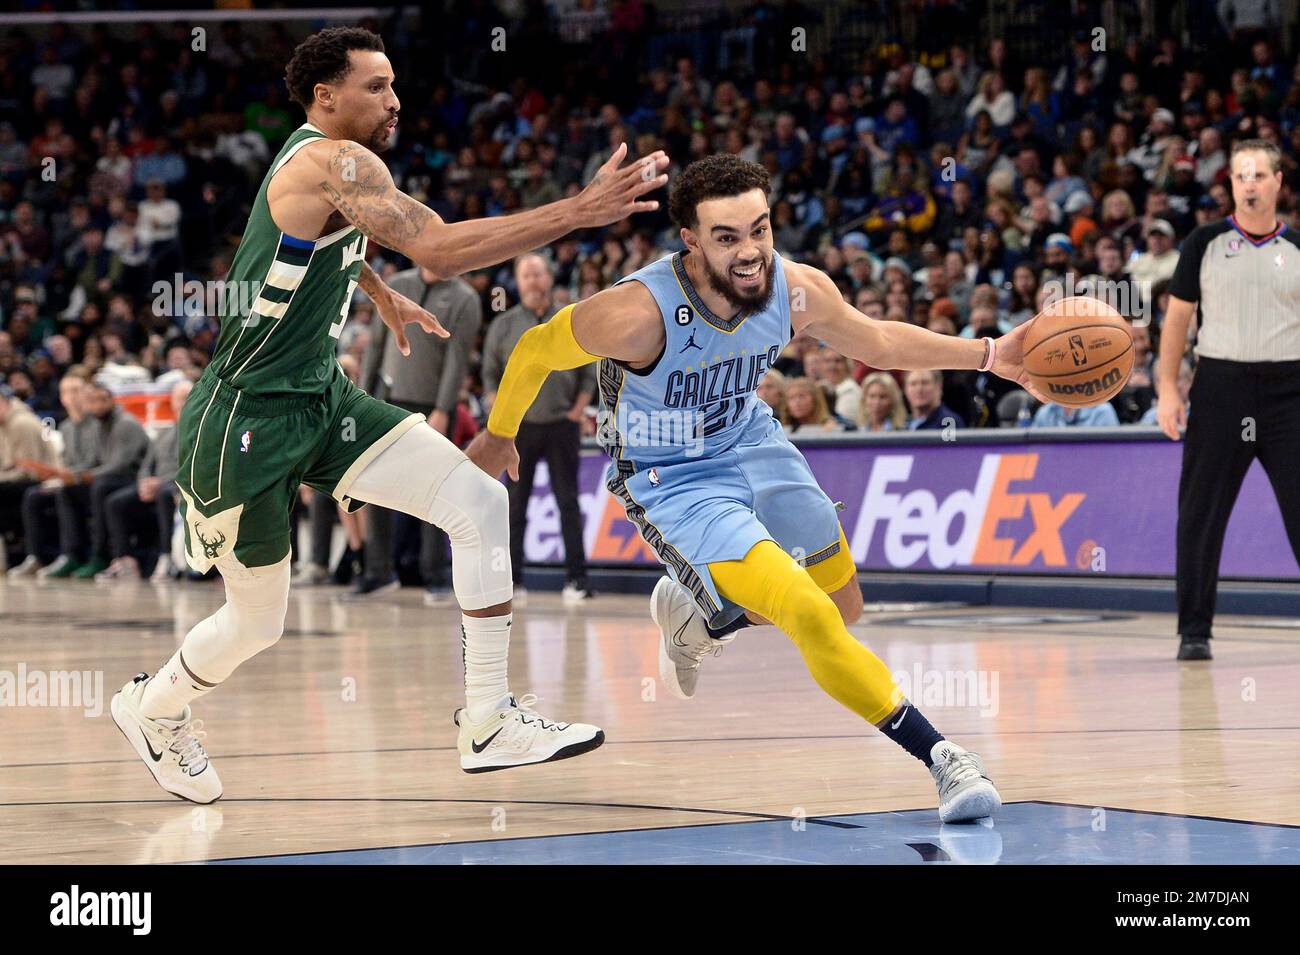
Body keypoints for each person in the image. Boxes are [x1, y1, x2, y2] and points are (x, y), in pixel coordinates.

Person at [109, 26, 668, 803]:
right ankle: (154, 707)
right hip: (244, 421)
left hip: (321, 397)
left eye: (394, 84)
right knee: (257, 624)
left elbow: (318, 238)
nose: (394, 99)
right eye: (375, 86)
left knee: (477, 499)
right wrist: (579, 210)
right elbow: (437, 250)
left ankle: (488, 719)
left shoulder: (323, 169)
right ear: (324, 97)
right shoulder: (336, 159)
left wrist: (372, 288)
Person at [467, 154, 1048, 822]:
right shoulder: (636, 313)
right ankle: (944, 756)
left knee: (844, 606)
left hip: (751, 437)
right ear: (689, 242)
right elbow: (538, 347)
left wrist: (990, 354)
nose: (750, 252)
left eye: (760, 229)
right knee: (807, 610)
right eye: (726, 237)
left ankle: (703, 616)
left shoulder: (794, 289)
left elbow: (880, 340)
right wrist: (500, 431)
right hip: (672, 475)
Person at [1156, 139, 1300, 662]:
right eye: (1242, 176)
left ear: (1278, 182)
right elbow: (1177, 320)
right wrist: (1168, 387)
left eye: (1260, 175)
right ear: (1231, 184)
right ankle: (1194, 630)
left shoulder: (1297, 249)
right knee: (1200, 513)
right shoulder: (1204, 242)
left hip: (1290, 392)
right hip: (1221, 389)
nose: (1250, 184)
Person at [350, 263, 482, 599]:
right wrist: (362, 399)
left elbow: (457, 359)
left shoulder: (465, 298)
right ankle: (378, 572)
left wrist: (444, 408)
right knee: (375, 489)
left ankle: (436, 574)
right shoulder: (394, 284)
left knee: (435, 493)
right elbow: (376, 348)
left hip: (432, 407)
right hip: (387, 403)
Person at [482, 253, 596, 604]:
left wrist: (578, 409)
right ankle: (512, 581)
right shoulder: (504, 324)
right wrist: (494, 405)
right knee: (515, 506)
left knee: (568, 503)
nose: (532, 281)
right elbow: (489, 371)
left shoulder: (567, 318)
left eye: (537, 274)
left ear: (549, 278)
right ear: (517, 282)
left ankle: (576, 580)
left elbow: (589, 367)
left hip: (562, 424)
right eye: (525, 275)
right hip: (520, 429)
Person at [98, 379, 192, 580]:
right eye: (180, 399)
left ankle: (166, 558)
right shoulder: (163, 433)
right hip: (154, 486)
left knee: (166, 495)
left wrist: (160, 482)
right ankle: (124, 560)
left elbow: (193, 469)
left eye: (187, 398)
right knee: (115, 502)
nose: (184, 403)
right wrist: (143, 483)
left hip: (177, 487)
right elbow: (146, 466)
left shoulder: (201, 433)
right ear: (172, 403)